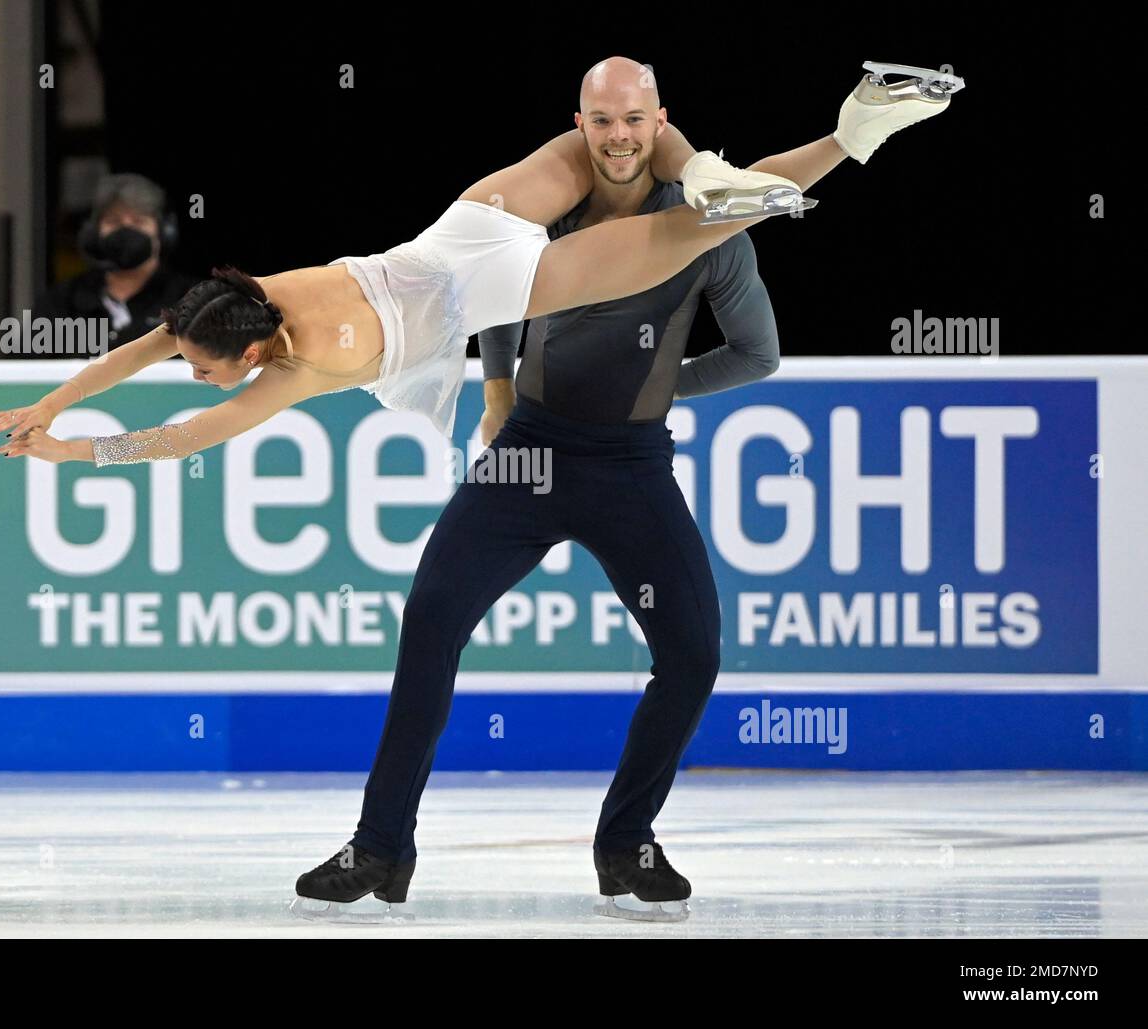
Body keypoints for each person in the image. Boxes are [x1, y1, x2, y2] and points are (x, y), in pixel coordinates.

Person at [286, 59, 960, 921]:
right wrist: (497, 396)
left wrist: (654, 384)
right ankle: (380, 847)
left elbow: (759, 354)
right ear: (580, 124)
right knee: (430, 623)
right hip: (525, 457)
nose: (618, 138)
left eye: (634, 121)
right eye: (602, 122)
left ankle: (626, 843)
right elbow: (478, 295)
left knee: (693, 656)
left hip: (630, 468)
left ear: (659, 122)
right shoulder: (543, 208)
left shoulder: (710, 228)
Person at [0, 61, 953, 464]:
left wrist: (68, 444)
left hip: (500, 286)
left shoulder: (287, 373)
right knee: (632, 151)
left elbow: (187, 437)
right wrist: (52, 405)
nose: (189, 368)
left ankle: (798, 147)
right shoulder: (253, 297)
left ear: (245, 356)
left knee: (698, 223)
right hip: (465, 224)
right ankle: (803, 138)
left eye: (199, 366)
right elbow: (146, 354)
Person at [32, 173, 194, 353]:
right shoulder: (59, 304)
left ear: (163, 233)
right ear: (94, 235)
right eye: (114, 221)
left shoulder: (192, 302)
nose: (125, 230)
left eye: (138, 221)